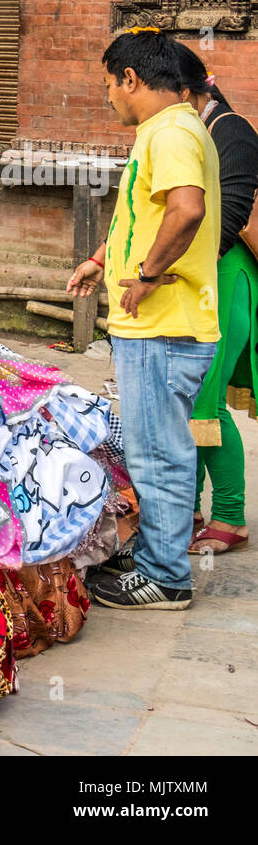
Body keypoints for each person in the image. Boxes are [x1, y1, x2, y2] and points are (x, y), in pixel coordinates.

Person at [66, 28, 221, 611]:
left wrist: (151, 273)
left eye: (110, 85)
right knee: (155, 449)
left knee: (160, 454)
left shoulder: (174, 132)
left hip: (165, 325)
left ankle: (165, 576)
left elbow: (187, 210)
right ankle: (158, 557)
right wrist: (101, 260)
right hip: (153, 325)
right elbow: (142, 212)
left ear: (131, 79)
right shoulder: (166, 130)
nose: (109, 97)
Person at [175, 45, 258, 554]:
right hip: (206, 273)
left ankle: (229, 515)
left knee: (204, 400)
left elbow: (228, 218)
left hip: (224, 273)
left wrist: (168, 268)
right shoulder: (200, 130)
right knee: (190, 400)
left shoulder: (231, 131)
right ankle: (190, 508)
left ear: (185, 92)